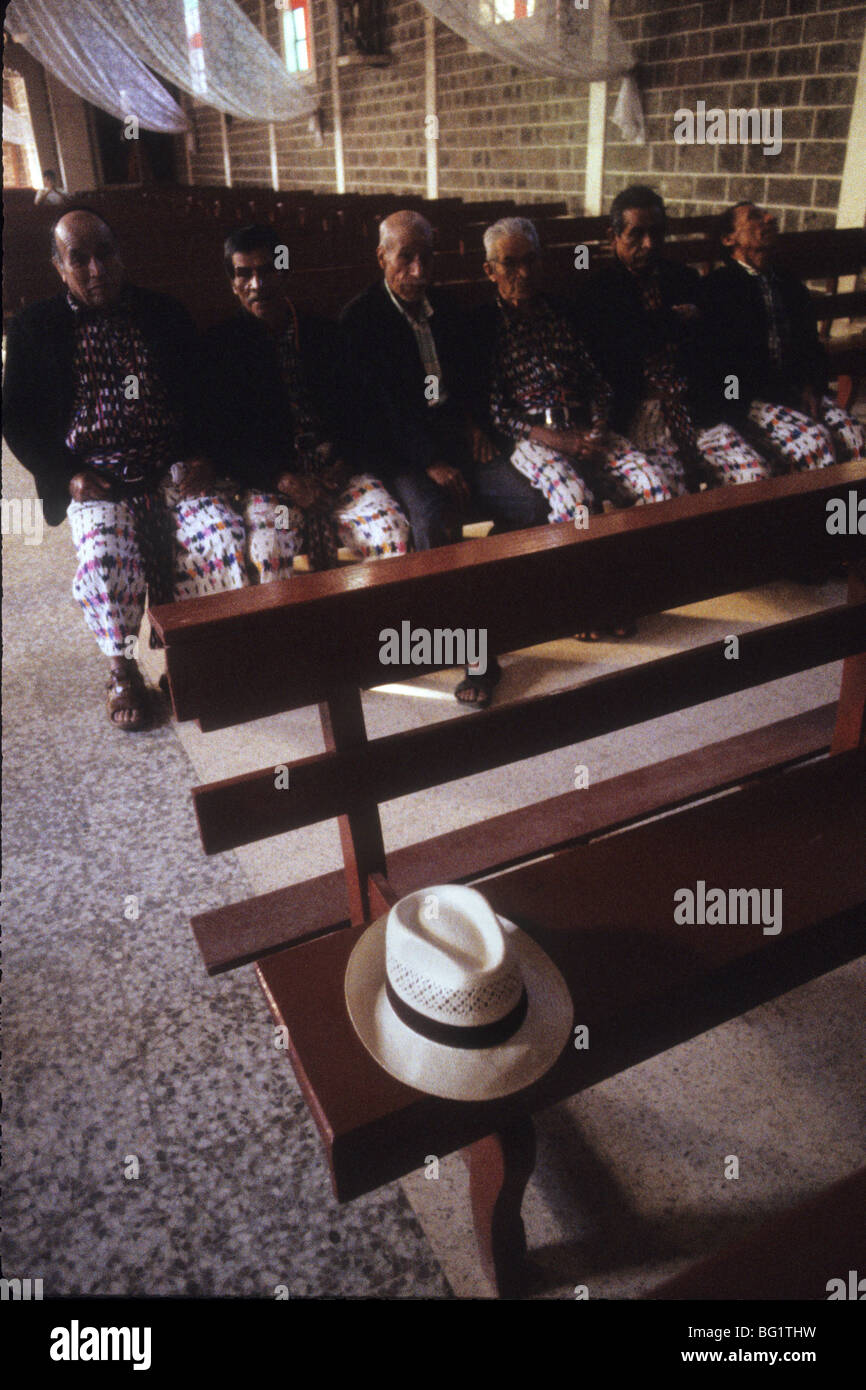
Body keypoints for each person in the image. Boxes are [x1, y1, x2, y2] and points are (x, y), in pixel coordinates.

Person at [2, 207, 249, 730]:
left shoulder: (165, 314)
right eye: (80, 258)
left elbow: (207, 396)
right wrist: (65, 474)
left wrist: (203, 454)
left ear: (121, 254)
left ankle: (193, 652)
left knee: (222, 533)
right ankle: (123, 669)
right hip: (98, 478)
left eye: (106, 253)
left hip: (171, 469)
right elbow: (18, 421)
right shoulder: (33, 329)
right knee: (103, 555)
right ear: (58, 266)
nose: (97, 269)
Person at [340, 209, 548, 705]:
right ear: (382, 257)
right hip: (405, 454)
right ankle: (476, 653)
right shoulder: (362, 320)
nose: (417, 271)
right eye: (405, 258)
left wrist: (476, 424)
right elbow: (380, 412)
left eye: (426, 258)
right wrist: (430, 459)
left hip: (457, 439)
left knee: (534, 506)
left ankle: (478, 597)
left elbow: (473, 381)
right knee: (431, 522)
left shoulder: (448, 309)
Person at [203, 224, 410, 580]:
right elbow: (224, 440)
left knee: (391, 532)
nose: (258, 284)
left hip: (339, 479)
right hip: (276, 489)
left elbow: (363, 413)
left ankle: (377, 628)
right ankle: (292, 636)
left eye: (268, 270)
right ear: (232, 281)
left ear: (284, 268)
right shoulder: (221, 347)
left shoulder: (325, 336)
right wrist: (285, 481)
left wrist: (342, 465)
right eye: (244, 274)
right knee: (268, 555)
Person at [580, 186, 771, 489]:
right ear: (612, 236)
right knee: (670, 494)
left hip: (694, 407)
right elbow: (620, 344)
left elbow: (710, 341)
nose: (649, 244)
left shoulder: (683, 278)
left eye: (657, 233)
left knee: (756, 477)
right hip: (638, 417)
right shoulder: (598, 291)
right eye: (636, 234)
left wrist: (655, 326)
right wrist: (674, 320)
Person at [700, 201, 864, 469]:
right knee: (815, 443)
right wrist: (735, 408)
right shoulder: (717, 289)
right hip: (749, 402)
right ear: (729, 239)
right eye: (755, 217)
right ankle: (811, 510)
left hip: (793, 390)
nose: (769, 218)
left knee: (855, 437)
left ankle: (853, 510)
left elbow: (809, 344)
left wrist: (811, 385)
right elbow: (717, 363)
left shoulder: (788, 284)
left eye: (766, 214)